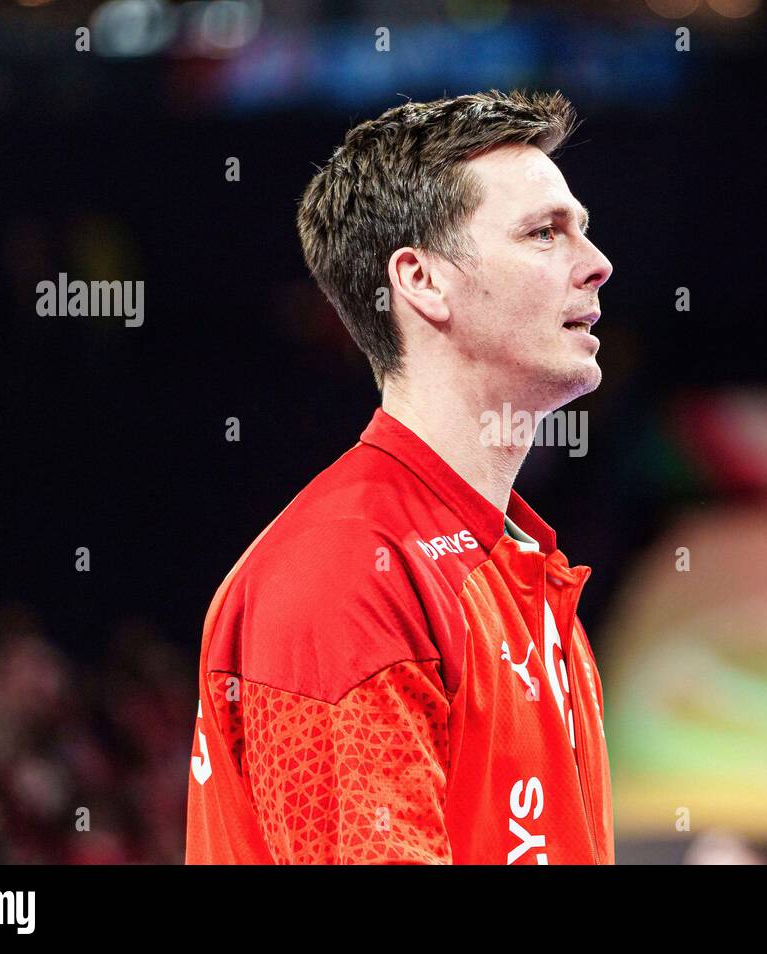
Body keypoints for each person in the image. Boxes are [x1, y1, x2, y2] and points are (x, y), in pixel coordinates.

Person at [185, 89, 615, 864]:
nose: (596, 264)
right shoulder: (348, 576)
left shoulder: (519, 571)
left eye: (581, 230)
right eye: (544, 233)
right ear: (421, 281)